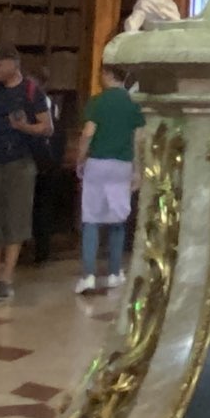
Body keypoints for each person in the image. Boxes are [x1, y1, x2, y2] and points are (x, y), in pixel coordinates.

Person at [0, 47, 53, 302]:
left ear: (14, 64)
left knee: (16, 218)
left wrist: (23, 127)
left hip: (20, 163)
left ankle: (7, 278)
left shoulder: (31, 91)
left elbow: (46, 128)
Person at [74, 64, 146, 294]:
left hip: (98, 163)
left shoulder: (98, 102)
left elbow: (88, 133)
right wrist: (138, 169)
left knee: (91, 218)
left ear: (107, 75)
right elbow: (139, 139)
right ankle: (115, 272)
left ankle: (88, 275)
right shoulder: (133, 104)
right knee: (118, 219)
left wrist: (80, 158)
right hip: (122, 165)